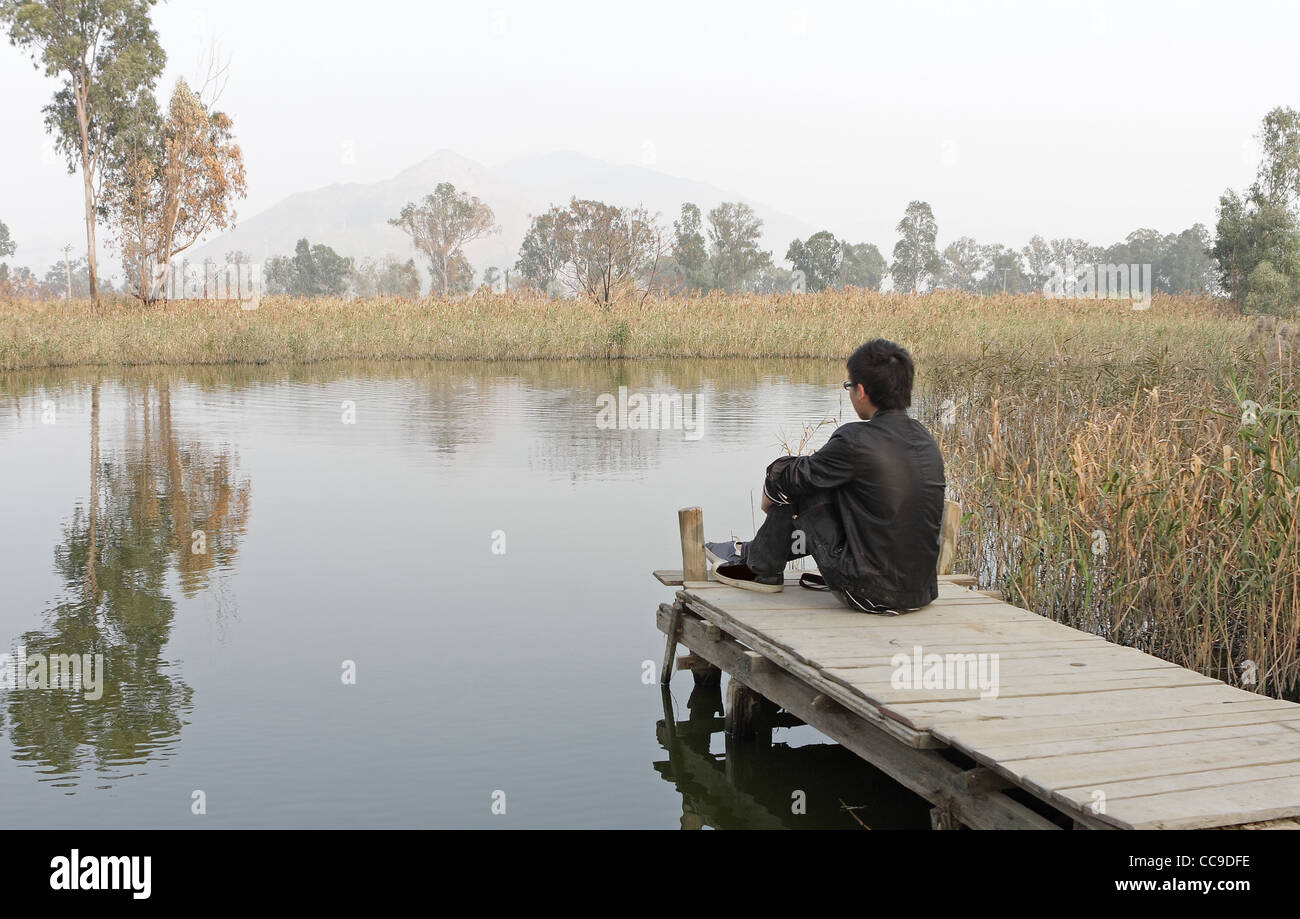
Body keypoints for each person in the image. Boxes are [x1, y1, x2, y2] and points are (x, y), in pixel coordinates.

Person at [707, 339, 946, 614]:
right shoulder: (924, 439)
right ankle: (753, 555)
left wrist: (772, 490)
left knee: (800, 483)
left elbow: (792, 479)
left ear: (862, 392)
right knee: (829, 481)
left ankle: (759, 567)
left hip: (870, 595)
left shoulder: (856, 439)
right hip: (921, 592)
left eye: (849, 386)